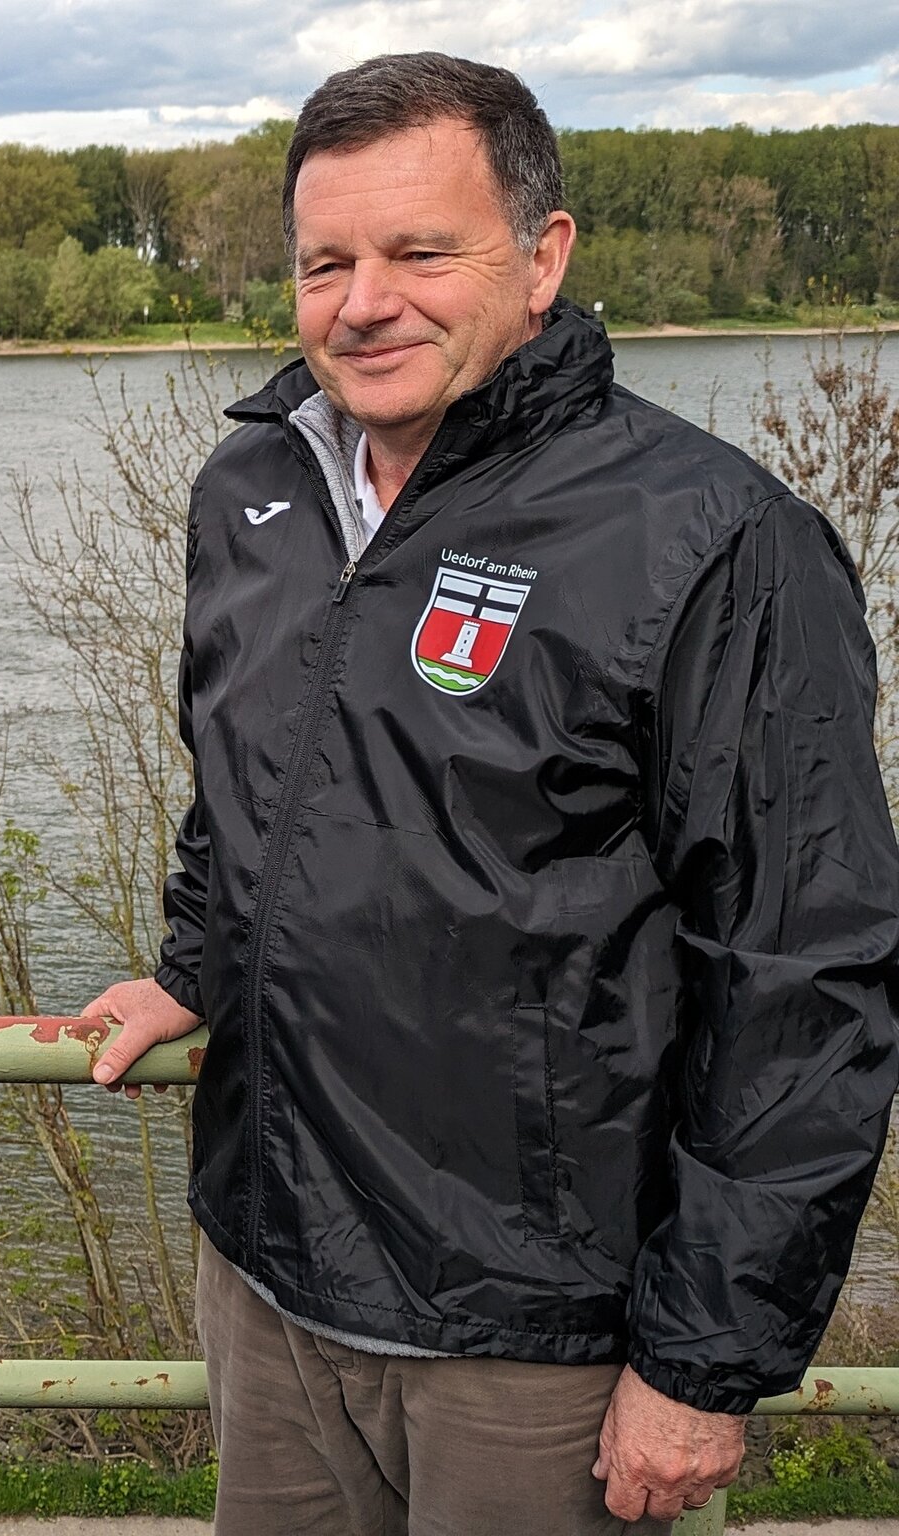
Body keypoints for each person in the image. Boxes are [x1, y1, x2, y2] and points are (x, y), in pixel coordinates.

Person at [82, 52, 899, 1534]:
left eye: (418, 251)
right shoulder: (254, 493)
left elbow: (805, 976)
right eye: (325, 261)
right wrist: (190, 969)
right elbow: (241, 784)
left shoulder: (713, 541)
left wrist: (706, 1363)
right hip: (267, 1279)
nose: (362, 300)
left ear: (544, 257)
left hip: (535, 1348)